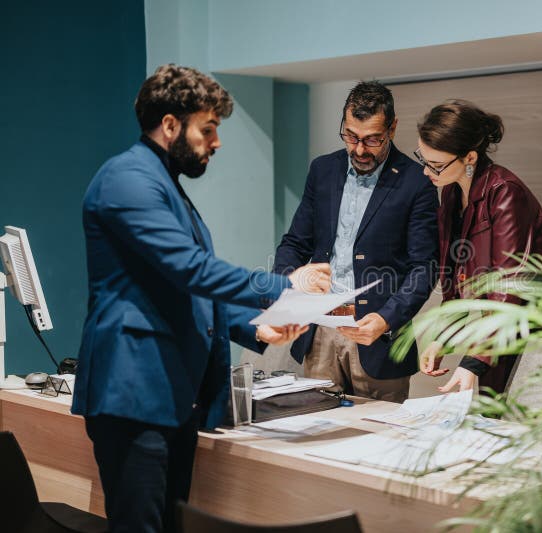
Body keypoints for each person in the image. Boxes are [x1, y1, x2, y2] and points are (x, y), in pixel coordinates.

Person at [71, 64, 330, 533]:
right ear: (170, 124)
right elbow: (191, 270)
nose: (216, 142)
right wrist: (285, 285)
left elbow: (180, 286)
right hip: (133, 394)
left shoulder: (163, 182)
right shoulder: (127, 179)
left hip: (170, 398)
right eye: (207, 129)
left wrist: (255, 324)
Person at [274, 81, 438, 403]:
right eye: (350, 136)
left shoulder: (417, 183)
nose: (359, 150)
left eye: (372, 139)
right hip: (320, 330)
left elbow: (424, 268)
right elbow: (295, 242)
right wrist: (286, 286)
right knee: (319, 431)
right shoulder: (323, 170)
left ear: (392, 128)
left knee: (380, 437)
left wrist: (387, 318)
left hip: (376, 336)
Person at [415, 100, 542, 395]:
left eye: (436, 165)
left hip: (540, 334)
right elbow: (454, 283)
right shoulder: (452, 196)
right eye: (423, 160)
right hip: (499, 334)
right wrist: (444, 336)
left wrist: (475, 361)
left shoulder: (505, 192)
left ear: (469, 157)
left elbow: (509, 286)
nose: (427, 172)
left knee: (529, 430)